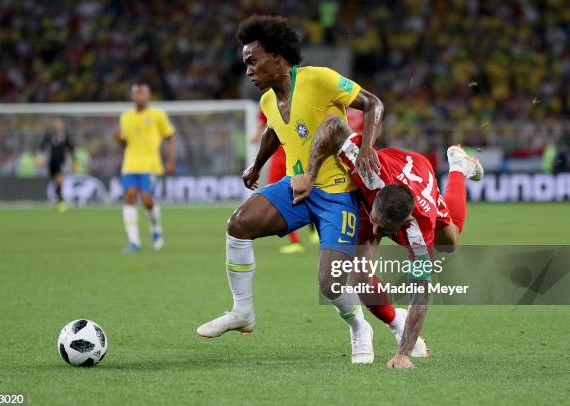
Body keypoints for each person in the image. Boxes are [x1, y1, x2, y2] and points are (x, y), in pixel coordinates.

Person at [197, 15, 392, 364]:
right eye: (245, 64)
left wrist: (366, 148)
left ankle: (359, 327)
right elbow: (274, 130)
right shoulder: (267, 101)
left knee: (330, 285)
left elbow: (374, 104)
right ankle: (242, 311)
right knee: (238, 225)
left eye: (252, 62)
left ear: (277, 58)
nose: (248, 71)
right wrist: (257, 165)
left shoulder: (319, 79)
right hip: (295, 187)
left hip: (337, 192)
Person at [292, 126, 484, 368]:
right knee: (359, 277)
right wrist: (311, 173)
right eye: (375, 224)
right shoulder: (367, 171)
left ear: (404, 225)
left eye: (383, 231)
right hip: (378, 186)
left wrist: (403, 354)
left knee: (450, 242)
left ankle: (457, 167)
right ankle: (394, 322)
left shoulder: (419, 229)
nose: (375, 233)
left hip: (420, 176)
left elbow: (421, 292)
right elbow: (333, 127)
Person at [113, 81, 175, 252]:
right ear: (132, 96)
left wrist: (170, 160)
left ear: (148, 95)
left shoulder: (157, 115)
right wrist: (117, 138)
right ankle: (134, 242)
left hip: (150, 165)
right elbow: (125, 144)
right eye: (136, 93)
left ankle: (156, 229)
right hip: (129, 165)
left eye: (142, 93)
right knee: (130, 197)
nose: (139, 96)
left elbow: (169, 137)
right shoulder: (125, 117)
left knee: (147, 200)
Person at [249, 109, 318, 254]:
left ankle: (297, 239)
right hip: (295, 155)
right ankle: (312, 232)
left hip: (286, 157)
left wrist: (257, 134)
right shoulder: (271, 99)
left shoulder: (280, 97)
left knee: (279, 197)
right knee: (304, 192)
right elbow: (265, 121)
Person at [40, 117, 74, 212]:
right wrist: (40, 157)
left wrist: (74, 160)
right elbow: (42, 146)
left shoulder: (65, 135)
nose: (58, 125)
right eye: (56, 123)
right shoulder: (49, 135)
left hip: (61, 161)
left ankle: (61, 202)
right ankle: (58, 201)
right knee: (55, 182)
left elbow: (71, 148)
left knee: (59, 180)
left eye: (59, 123)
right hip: (52, 161)